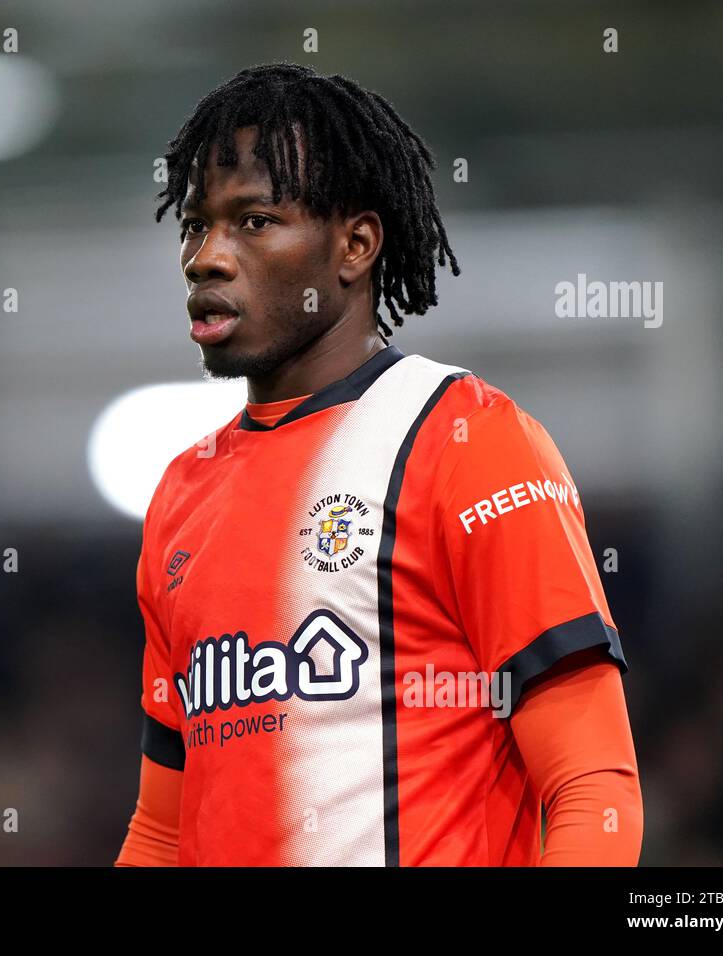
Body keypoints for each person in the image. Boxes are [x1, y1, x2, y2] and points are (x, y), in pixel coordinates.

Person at [116, 62, 641, 866]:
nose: (204, 258)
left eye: (252, 221)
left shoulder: (467, 439)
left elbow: (592, 782)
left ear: (355, 245)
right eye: (195, 226)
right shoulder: (183, 492)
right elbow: (161, 831)